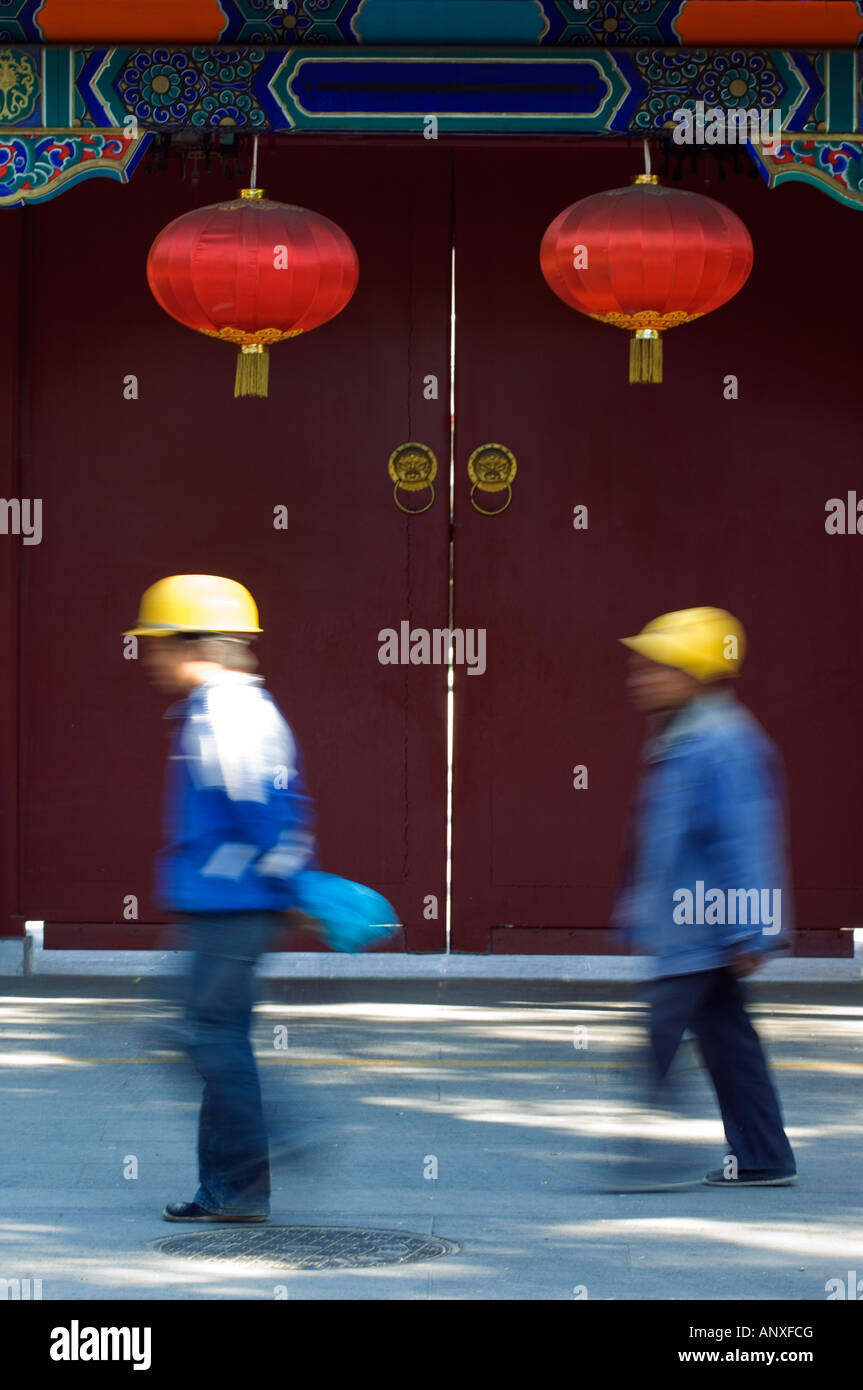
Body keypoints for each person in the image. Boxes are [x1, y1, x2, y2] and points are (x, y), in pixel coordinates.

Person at [125, 574, 318, 1222]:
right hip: (227, 904)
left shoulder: (227, 714)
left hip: (232, 908)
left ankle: (287, 1138)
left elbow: (264, 805)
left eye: (158, 645)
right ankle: (233, 1192)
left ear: (195, 647)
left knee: (200, 1035)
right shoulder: (225, 708)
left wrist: (291, 885)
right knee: (216, 1036)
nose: (150, 658)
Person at [610, 606, 796, 1191]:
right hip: (688, 929)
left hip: (706, 929)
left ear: (693, 672)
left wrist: (752, 929)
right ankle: (764, 1155)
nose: (639, 679)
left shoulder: (721, 742)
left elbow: (746, 839)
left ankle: (653, 1158)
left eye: (655, 669)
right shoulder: (682, 735)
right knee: (728, 1042)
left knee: (660, 1041)